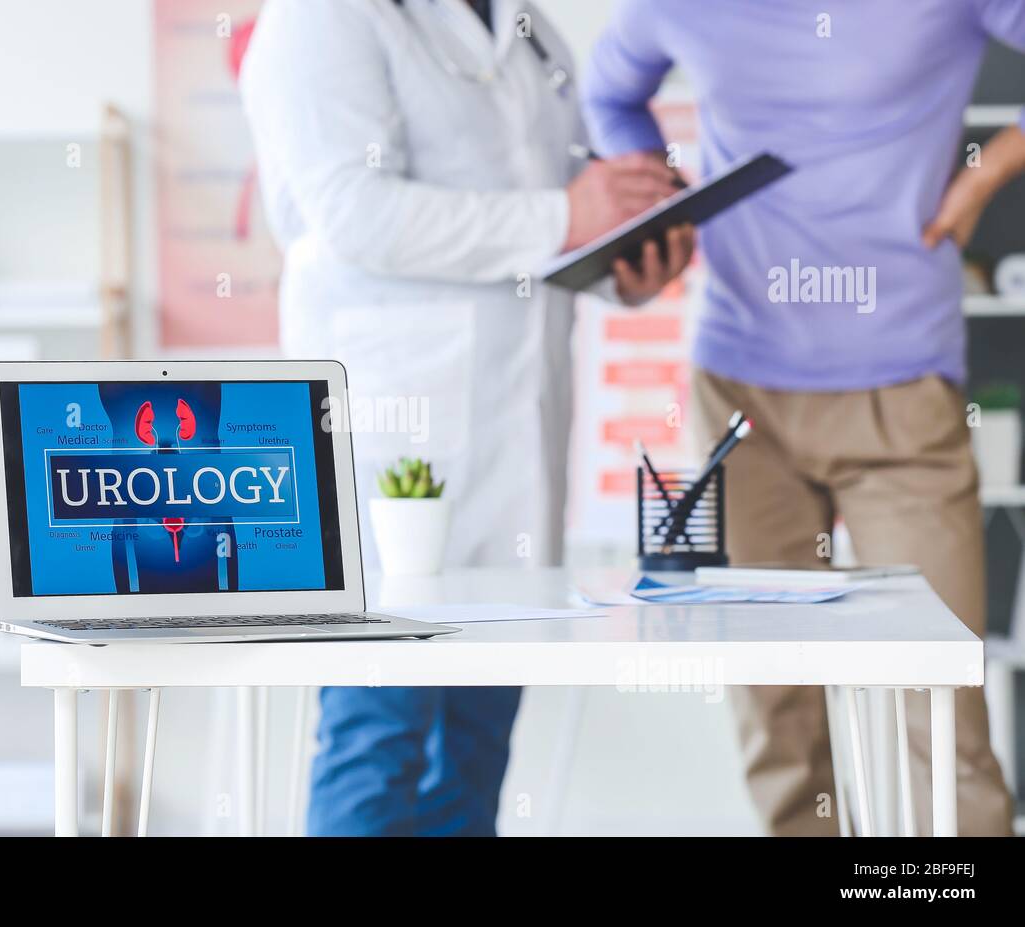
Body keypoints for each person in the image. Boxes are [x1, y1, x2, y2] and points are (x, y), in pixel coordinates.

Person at [241, 0, 693, 836]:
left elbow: (542, 217)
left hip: (518, 442)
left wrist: (624, 261)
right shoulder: (324, 17)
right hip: (390, 433)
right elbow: (348, 207)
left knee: (480, 744)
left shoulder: (528, 29)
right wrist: (568, 216)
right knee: (379, 733)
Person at [583, 0, 1025, 836]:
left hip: (903, 386)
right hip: (738, 392)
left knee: (940, 717)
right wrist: (652, 197)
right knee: (778, 716)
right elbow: (609, 94)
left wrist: (986, 172)